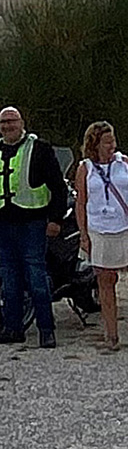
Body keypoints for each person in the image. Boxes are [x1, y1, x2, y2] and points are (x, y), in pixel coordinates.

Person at [0, 106, 69, 348]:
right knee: (9, 278)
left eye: (11, 121)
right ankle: (13, 328)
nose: (7, 126)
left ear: (22, 122)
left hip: (32, 223)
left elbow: (58, 186)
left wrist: (55, 220)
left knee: (36, 278)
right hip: (3, 223)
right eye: (3, 122)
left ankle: (46, 330)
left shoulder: (40, 149)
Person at [74, 121, 126, 352]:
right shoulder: (85, 168)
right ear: (94, 144)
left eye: (112, 140)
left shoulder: (124, 163)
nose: (111, 146)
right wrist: (84, 234)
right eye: (106, 142)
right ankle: (111, 334)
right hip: (100, 229)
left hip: (124, 227)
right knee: (106, 281)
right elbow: (81, 203)